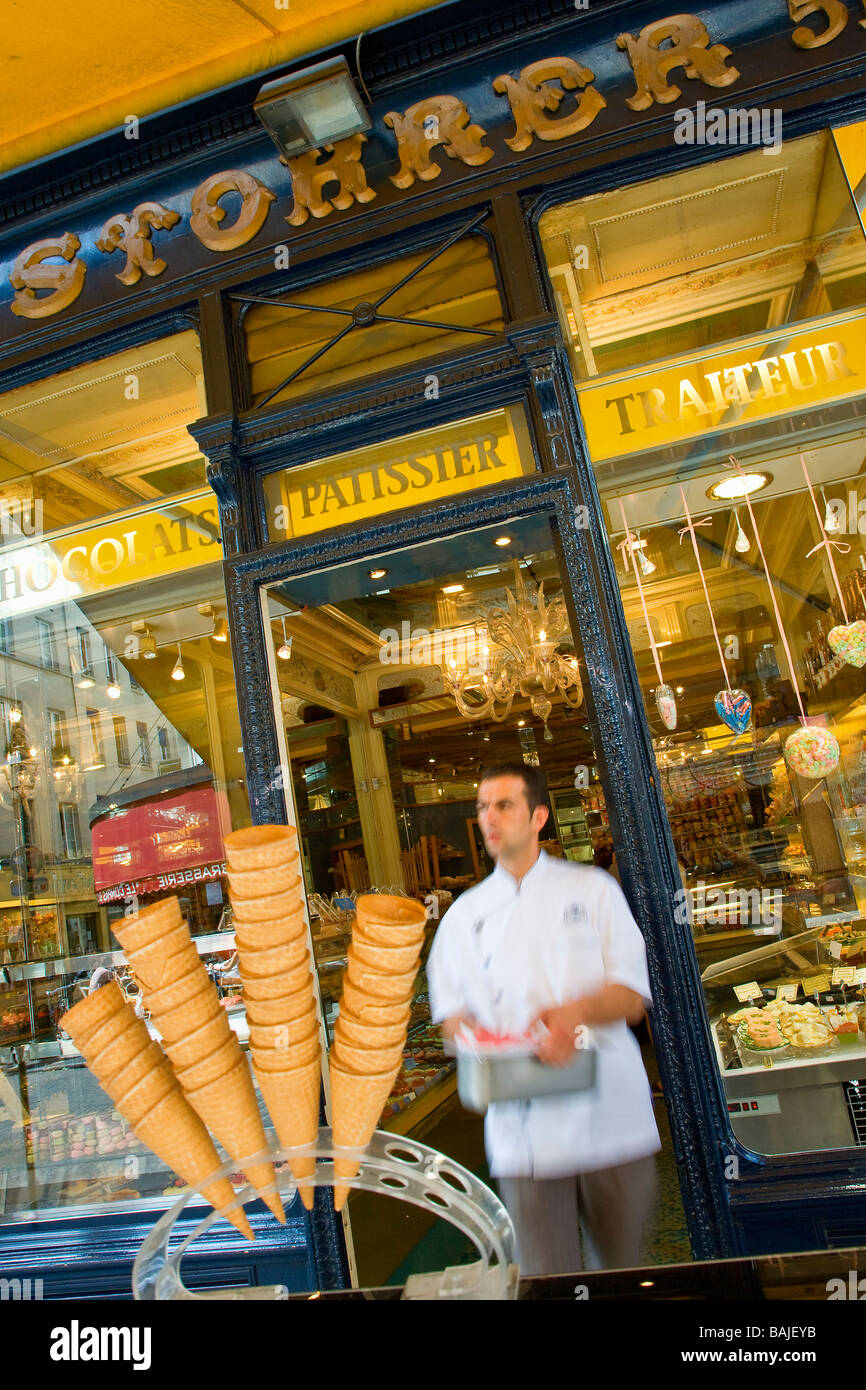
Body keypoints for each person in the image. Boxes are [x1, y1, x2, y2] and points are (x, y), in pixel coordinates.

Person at [426, 762, 660, 1276]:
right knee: (545, 1283)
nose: (489, 818)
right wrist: (474, 1039)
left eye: (503, 805)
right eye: (483, 806)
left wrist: (573, 1015)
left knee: (624, 1277)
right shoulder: (464, 917)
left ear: (538, 818)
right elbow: (451, 1017)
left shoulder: (594, 889)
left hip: (611, 1122)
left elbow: (631, 998)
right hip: (522, 1136)